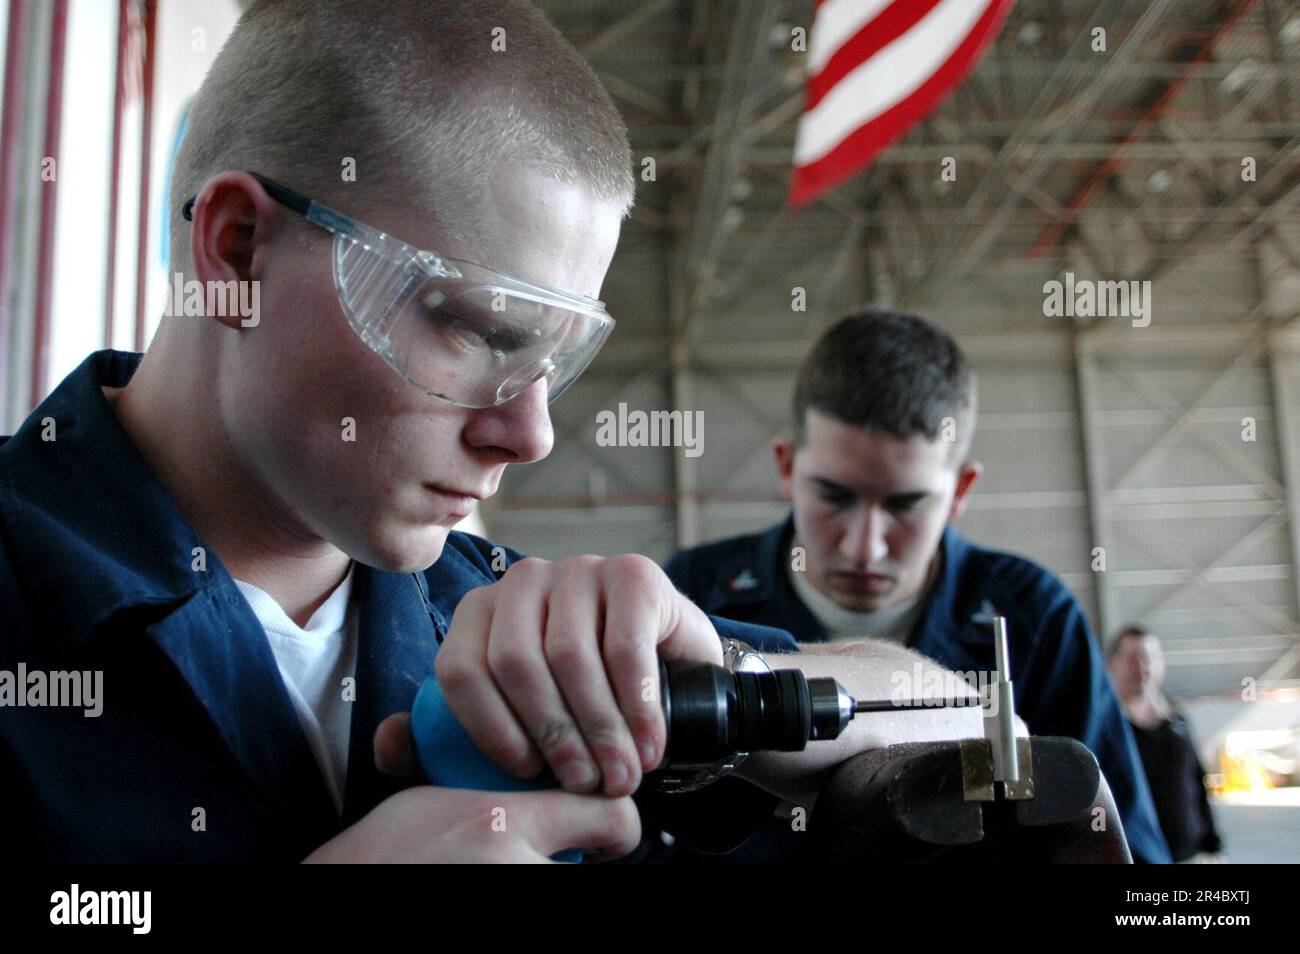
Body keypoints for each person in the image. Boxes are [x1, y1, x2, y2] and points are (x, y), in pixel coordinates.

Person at [0, 0, 996, 863]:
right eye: (476, 329)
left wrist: (727, 680)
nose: (530, 433)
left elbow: (967, 716)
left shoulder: (494, 625)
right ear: (237, 248)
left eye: (556, 362)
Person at [662, 309, 1172, 863]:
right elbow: (618, 835)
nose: (865, 547)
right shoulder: (689, 596)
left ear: (960, 489)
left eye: (906, 504)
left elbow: (1124, 848)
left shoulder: (1035, 616)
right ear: (786, 467)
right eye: (833, 495)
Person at [1107, 626, 1226, 863]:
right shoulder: (1108, 727)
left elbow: (1197, 784)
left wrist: (1214, 846)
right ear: (1112, 663)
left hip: (1190, 856)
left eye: (1147, 658)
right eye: (1132, 659)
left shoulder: (1178, 722)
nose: (1141, 667)